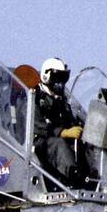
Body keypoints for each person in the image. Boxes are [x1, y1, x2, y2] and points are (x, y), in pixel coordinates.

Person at [33, 57, 86, 186]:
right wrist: (63, 132)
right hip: (40, 142)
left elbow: (70, 121)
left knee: (86, 144)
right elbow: (37, 125)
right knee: (58, 143)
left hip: (58, 138)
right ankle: (74, 176)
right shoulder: (34, 97)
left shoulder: (62, 101)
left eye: (63, 78)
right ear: (47, 76)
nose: (60, 83)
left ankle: (97, 176)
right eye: (58, 78)